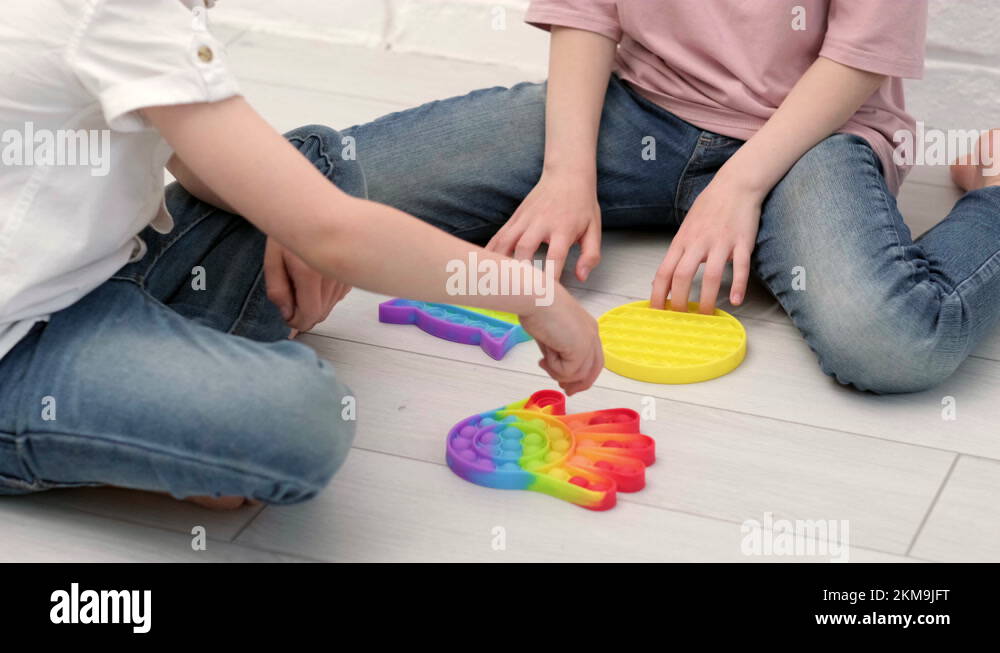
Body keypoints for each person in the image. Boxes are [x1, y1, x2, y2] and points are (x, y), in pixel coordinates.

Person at [0, 0, 603, 508]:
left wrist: (287, 209)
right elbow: (337, 235)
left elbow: (194, 161)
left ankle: (177, 401)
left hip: (93, 273)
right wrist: (530, 292)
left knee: (319, 155)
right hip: (19, 342)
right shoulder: (117, 13)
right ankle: (184, 428)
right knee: (303, 417)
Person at [344, 0, 1000, 394]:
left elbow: (864, 50)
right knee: (325, 181)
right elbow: (588, 11)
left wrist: (741, 185)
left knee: (891, 343)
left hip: (806, 141)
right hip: (635, 108)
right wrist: (567, 172)